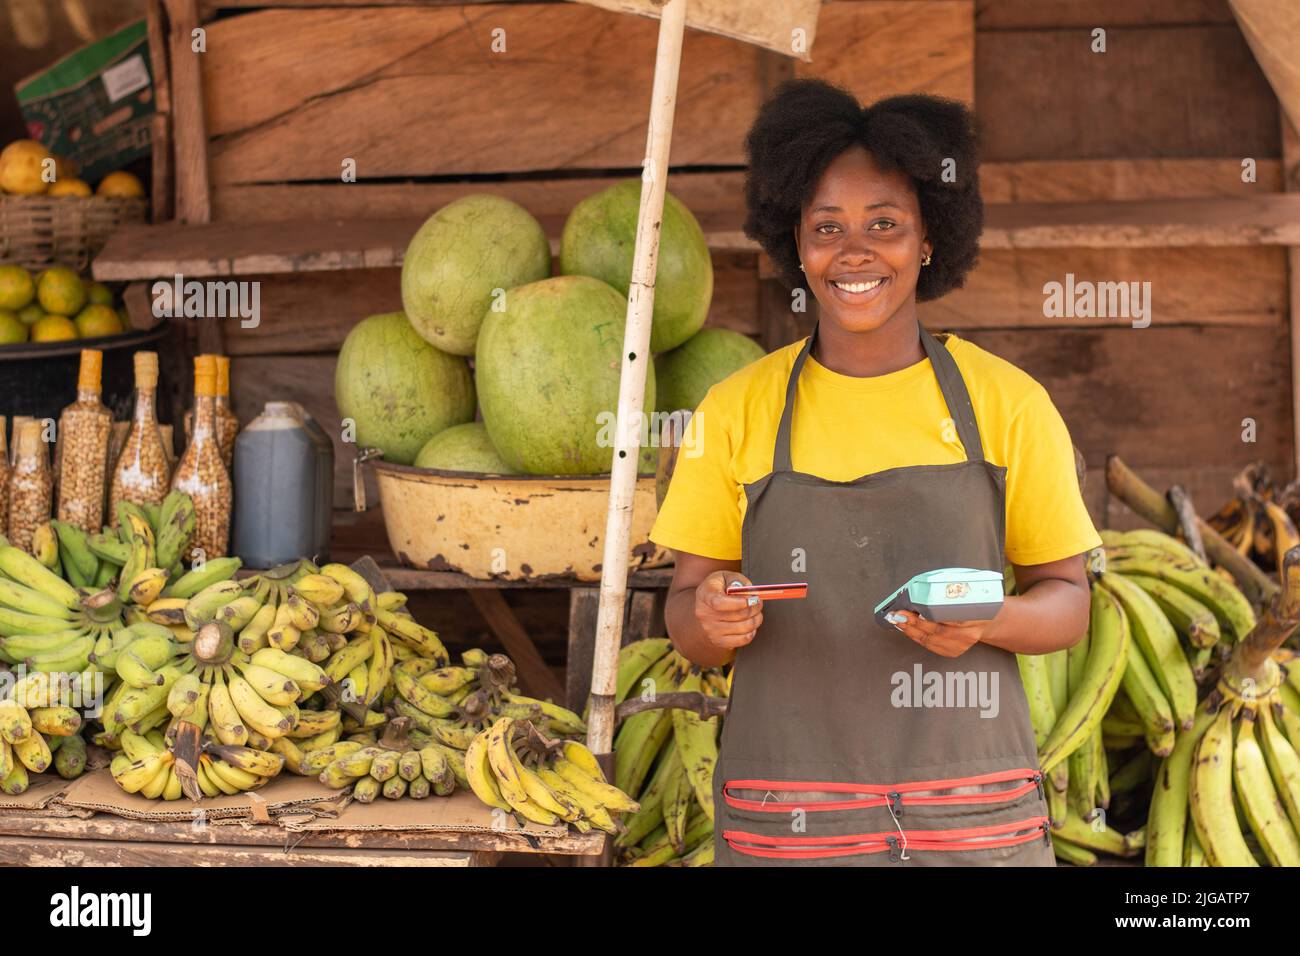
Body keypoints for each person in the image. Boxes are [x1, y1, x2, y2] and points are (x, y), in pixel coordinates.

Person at [649, 79, 1101, 866]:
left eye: (884, 224)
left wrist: (988, 621)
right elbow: (687, 619)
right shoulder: (734, 412)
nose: (854, 252)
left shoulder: (1009, 405)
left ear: (929, 238)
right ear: (796, 241)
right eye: (827, 227)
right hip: (789, 825)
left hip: (971, 823)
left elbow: (1068, 604)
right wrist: (710, 619)